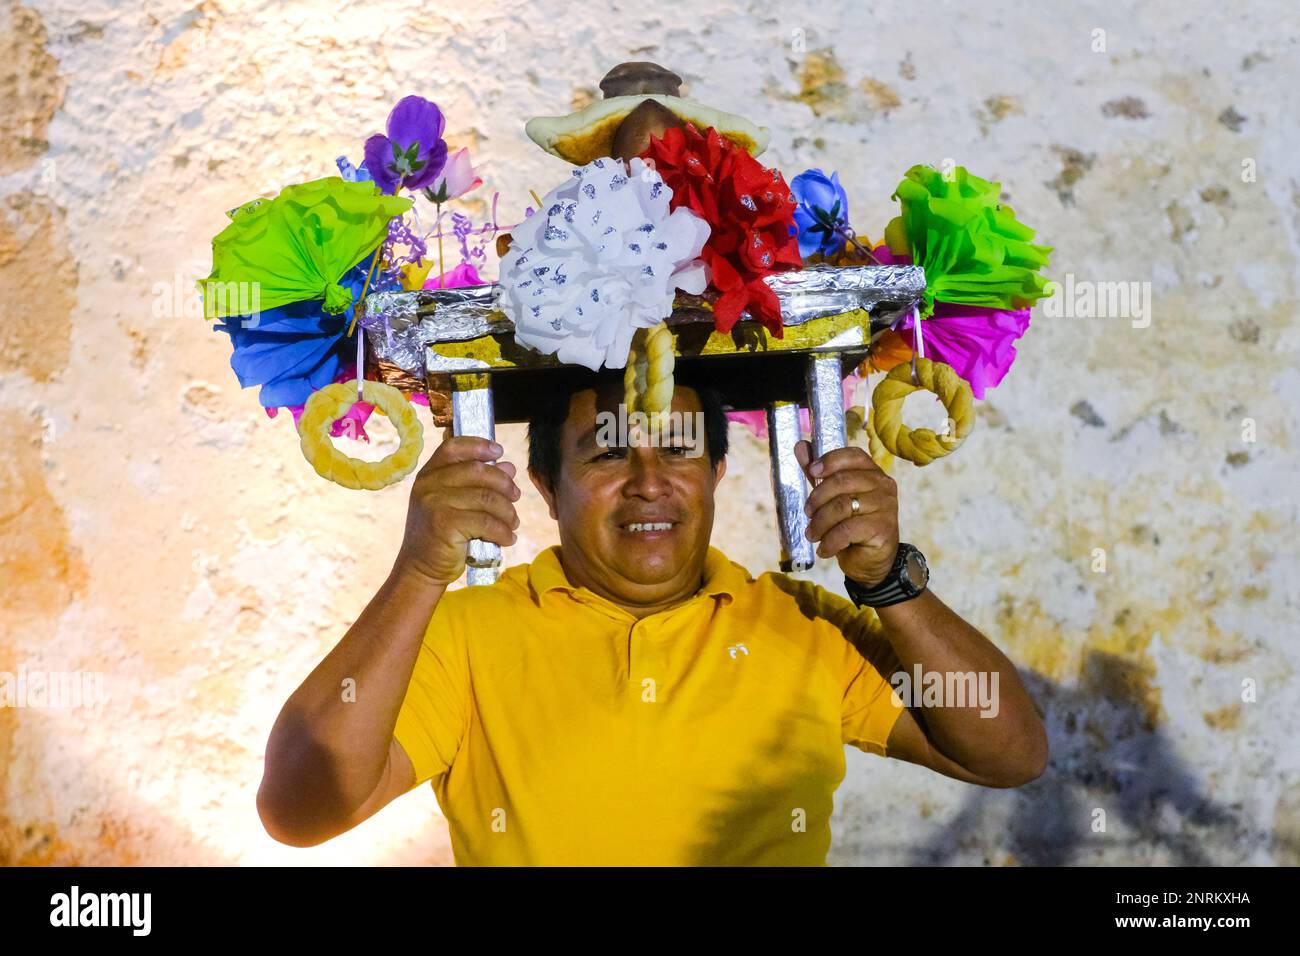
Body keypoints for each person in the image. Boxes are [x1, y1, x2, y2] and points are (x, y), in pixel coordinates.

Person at [256, 367, 1048, 865]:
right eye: (606, 454)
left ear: (717, 474)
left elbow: (1009, 752)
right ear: (544, 490)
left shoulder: (801, 624)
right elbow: (298, 809)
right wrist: (421, 570)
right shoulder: (470, 634)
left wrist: (887, 582)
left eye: (676, 450)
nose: (648, 483)